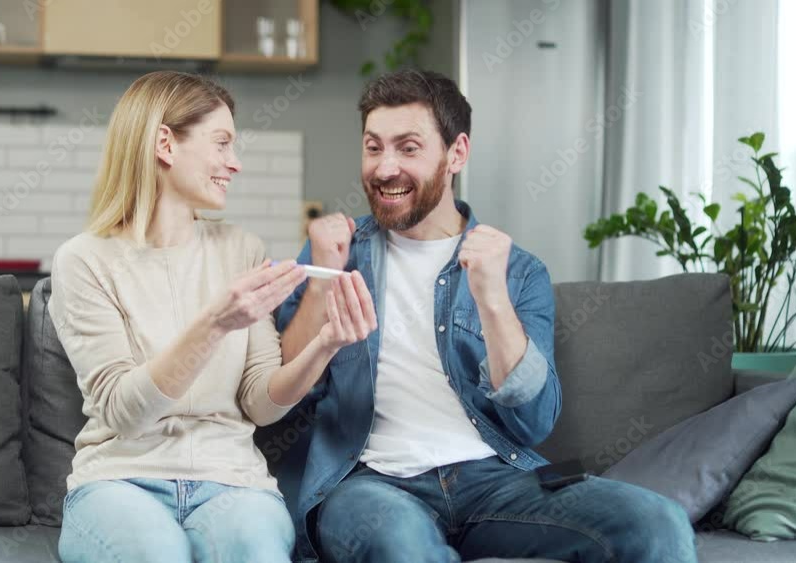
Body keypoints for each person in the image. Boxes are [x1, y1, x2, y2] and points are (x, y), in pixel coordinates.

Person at [271, 68, 698, 563]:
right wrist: (324, 274)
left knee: (657, 524)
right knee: (402, 546)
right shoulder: (338, 252)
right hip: (372, 484)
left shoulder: (517, 271)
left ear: (457, 153)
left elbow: (535, 420)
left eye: (408, 148)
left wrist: (492, 298)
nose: (385, 167)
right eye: (373, 147)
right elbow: (283, 394)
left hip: (497, 479)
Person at [47, 71, 376, 563]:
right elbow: (123, 411)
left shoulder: (241, 249)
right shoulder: (85, 260)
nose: (235, 163)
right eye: (221, 143)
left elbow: (262, 404)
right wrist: (215, 323)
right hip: (119, 482)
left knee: (258, 551)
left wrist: (325, 343)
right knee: (158, 553)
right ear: (165, 143)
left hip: (232, 483)